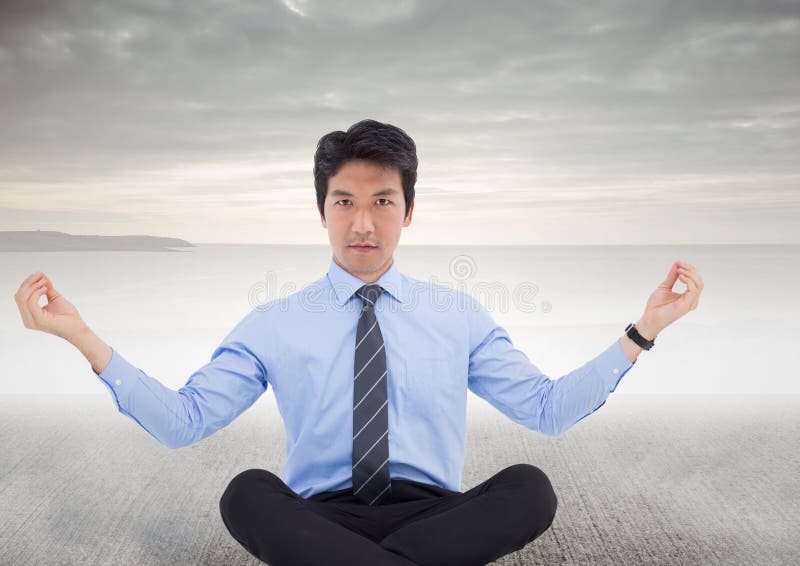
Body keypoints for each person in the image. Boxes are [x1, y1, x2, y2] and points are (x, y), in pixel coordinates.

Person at [14, 119, 704, 566]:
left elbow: (547, 409)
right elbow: (183, 421)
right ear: (322, 211)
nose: (363, 222)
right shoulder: (277, 321)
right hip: (318, 523)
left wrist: (642, 330)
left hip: (435, 516)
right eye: (345, 201)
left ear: (409, 211)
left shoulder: (455, 315)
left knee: (531, 486)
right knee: (246, 491)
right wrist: (81, 337)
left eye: (382, 201)